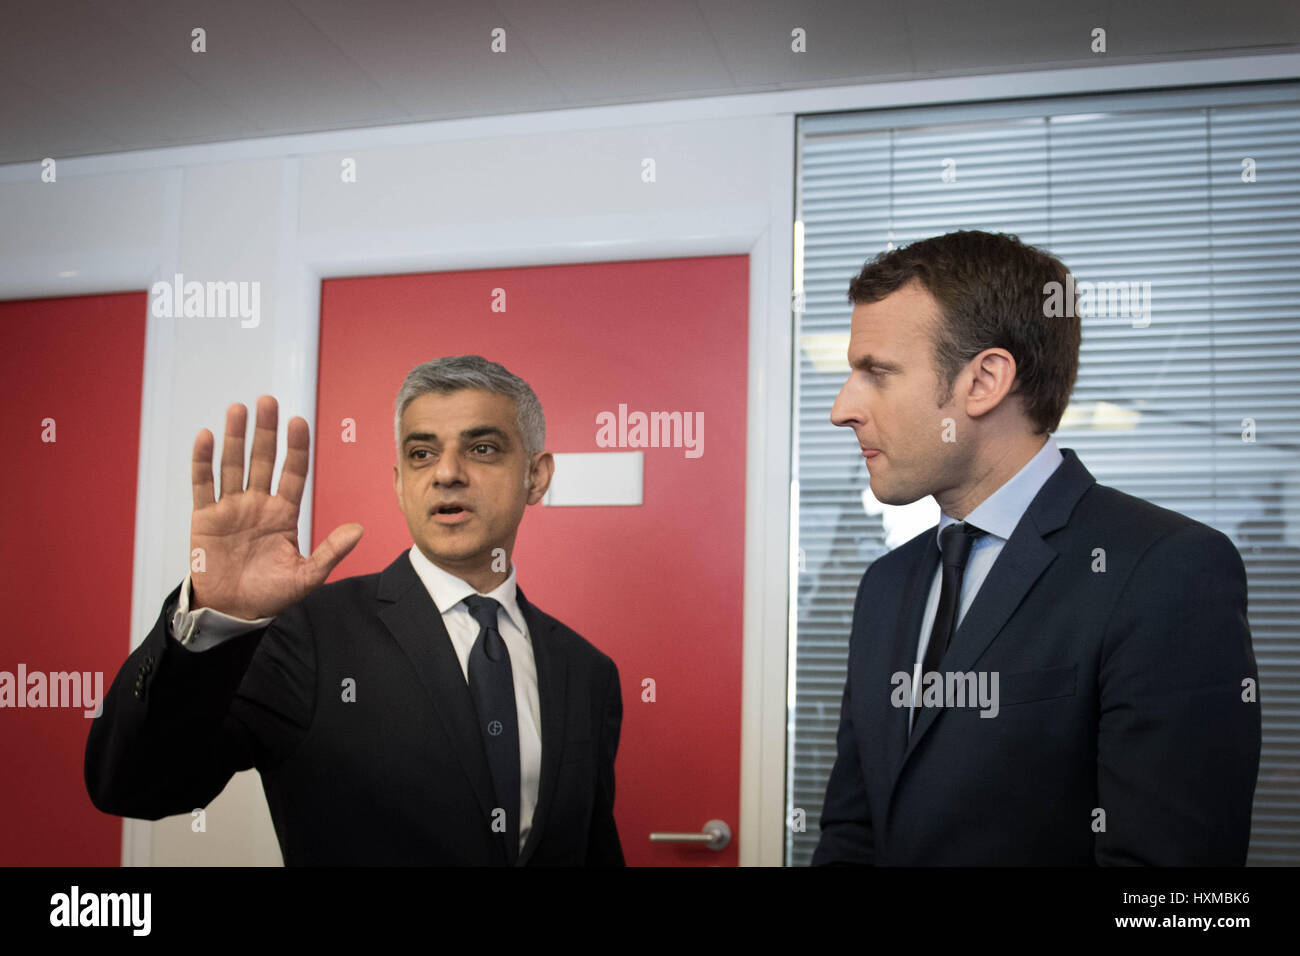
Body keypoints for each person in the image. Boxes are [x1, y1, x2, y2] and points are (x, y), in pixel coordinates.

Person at [811, 231, 1260, 865]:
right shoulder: (885, 586)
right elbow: (851, 835)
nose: (842, 409)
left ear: (986, 380)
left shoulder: (1165, 571)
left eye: (877, 373)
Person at [86, 355, 624, 866]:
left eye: (482, 448)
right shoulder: (306, 634)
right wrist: (214, 619)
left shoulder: (588, 672)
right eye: (421, 453)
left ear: (537, 475)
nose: (447, 473)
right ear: (399, 483)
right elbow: (134, 784)